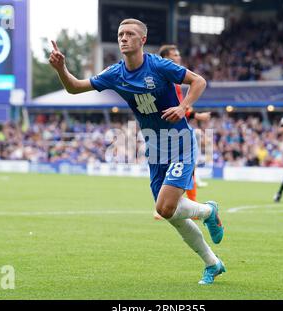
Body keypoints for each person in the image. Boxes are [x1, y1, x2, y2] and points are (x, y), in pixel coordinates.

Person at [49, 18, 225, 284]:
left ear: (142, 40)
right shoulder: (114, 73)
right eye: (120, 34)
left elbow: (198, 81)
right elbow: (74, 87)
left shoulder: (159, 65)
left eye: (130, 34)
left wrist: (183, 106)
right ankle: (212, 261)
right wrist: (61, 68)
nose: (123, 38)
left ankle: (209, 211)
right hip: (154, 148)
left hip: (179, 143)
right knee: (172, 215)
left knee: (165, 208)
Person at [158, 44, 211, 205]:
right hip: (167, 131)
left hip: (174, 131)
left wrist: (190, 112)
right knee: (171, 170)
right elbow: (176, 108)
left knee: (185, 169)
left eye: (178, 54)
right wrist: (197, 115)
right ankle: (167, 205)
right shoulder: (167, 81)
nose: (178, 57)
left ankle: (185, 204)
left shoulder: (174, 81)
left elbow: (179, 107)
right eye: (174, 55)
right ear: (165, 59)